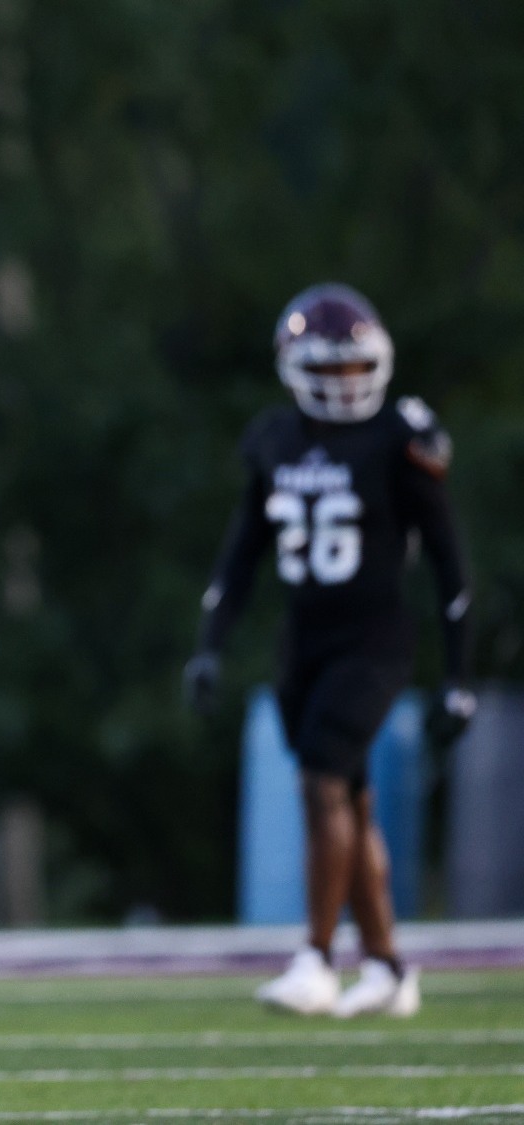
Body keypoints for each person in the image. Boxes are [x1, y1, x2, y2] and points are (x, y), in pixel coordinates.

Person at [185, 283, 472, 1019]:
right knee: (352, 799)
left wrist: (460, 671)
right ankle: (387, 967)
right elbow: (240, 553)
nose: (345, 382)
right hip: (303, 641)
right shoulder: (275, 438)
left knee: (320, 781)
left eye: (355, 367)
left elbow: (448, 560)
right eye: (330, 368)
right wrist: (210, 645)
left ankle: (315, 957)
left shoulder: (401, 436)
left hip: (374, 638)